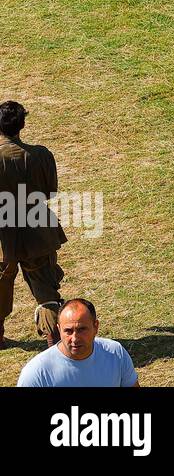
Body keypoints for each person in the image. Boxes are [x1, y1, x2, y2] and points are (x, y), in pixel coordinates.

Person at [0, 101, 65, 349]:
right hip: (37, 229)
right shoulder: (42, 155)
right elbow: (50, 192)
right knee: (45, 287)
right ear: (22, 124)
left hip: (2, 235)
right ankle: (53, 341)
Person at [17, 299, 138, 387]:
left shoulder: (115, 354)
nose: (75, 338)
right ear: (59, 330)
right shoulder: (36, 373)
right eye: (68, 331)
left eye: (81, 330)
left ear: (95, 327)